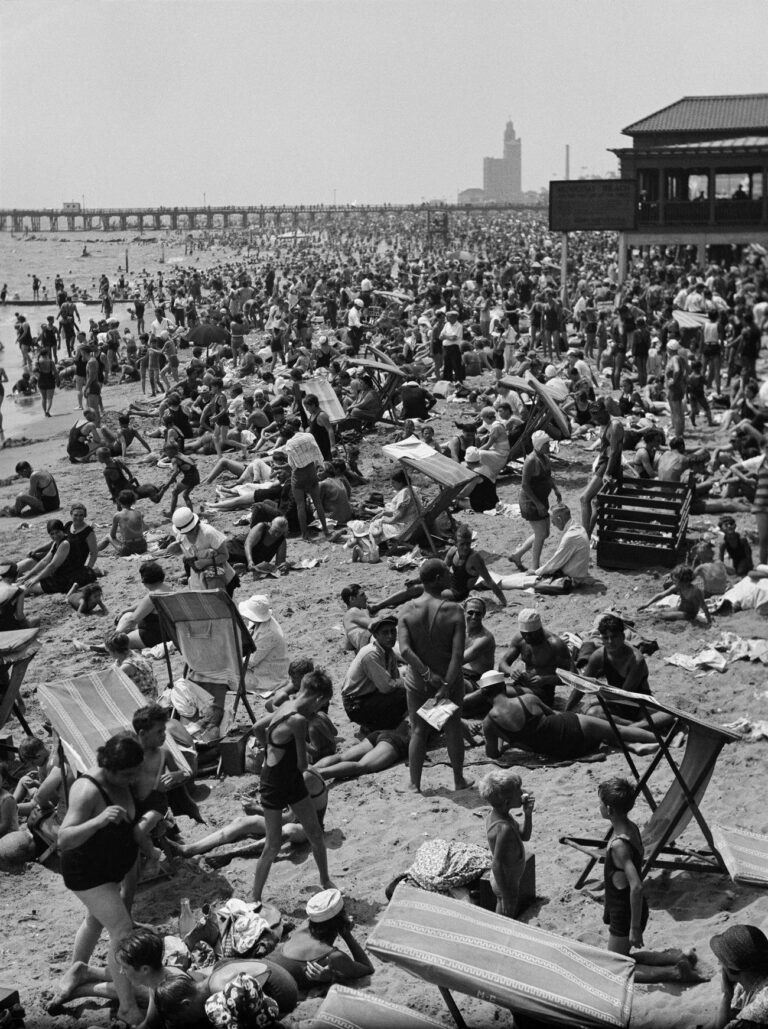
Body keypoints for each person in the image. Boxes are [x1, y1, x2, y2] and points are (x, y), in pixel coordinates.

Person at [57, 734, 148, 1027]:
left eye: (135, 772)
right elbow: (64, 839)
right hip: (86, 873)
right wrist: (99, 820)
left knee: (95, 920)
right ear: (109, 768)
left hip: (110, 870)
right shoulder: (86, 789)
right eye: (127, 775)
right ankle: (127, 1007)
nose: (133, 779)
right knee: (122, 931)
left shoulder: (126, 779)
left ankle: (77, 970)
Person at [598, 777, 702, 983]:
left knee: (614, 967)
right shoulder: (631, 828)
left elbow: (636, 886)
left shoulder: (619, 845)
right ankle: (679, 959)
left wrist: (634, 928)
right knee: (623, 957)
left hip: (626, 912)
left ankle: (676, 973)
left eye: (600, 803)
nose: (599, 806)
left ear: (609, 810)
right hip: (628, 908)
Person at [250, 669, 336, 903]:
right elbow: (301, 764)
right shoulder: (299, 720)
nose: (319, 711)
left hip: (282, 777)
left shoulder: (285, 705)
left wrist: (271, 751)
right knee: (273, 843)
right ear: (318, 699)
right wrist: (312, 755)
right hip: (277, 784)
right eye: (322, 705)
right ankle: (254, 897)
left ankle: (325, 881)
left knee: (315, 833)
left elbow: (258, 727)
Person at [398, 558, 471, 793]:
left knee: (418, 730)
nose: (451, 576)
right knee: (452, 728)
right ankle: (458, 780)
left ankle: (414, 783)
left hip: (418, 683)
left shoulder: (407, 610)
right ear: (438, 578)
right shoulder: (454, 610)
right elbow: (457, 655)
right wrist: (446, 685)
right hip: (449, 681)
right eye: (448, 573)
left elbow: (405, 650)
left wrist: (427, 674)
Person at [481, 680, 664, 762]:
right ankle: (663, 742)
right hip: (570, 727)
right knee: (615, 729)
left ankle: (634, 747)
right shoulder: (527, 699)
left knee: (600, 734)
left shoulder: (489, 723)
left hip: (563, 752)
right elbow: (554, 714)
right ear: (504, 686)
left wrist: (506, 742)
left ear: (484, 694)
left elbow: (492, 754)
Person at [268, 889, 374, 992]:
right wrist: (346, 934)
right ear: (341, 920)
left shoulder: (305, 925)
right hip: (271, 983)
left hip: (264, 964)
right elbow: (367, 968)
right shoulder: (334, 957)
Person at [478, 770, 534, 918]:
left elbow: (524, 835)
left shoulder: (500, 815)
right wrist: (506, 894)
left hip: (510, 877)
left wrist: (528, 814)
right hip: (505, 880)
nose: (523, 792)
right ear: (506, 802)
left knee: (505, 908)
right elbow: (497, 864)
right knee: (506, 911)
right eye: (518, 791)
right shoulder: (504, 828)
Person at [341, 614, 408, 730]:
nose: (390, 636)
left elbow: (395, 678)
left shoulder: (389, 652)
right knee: (406, 694)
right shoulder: (371, 654)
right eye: (385, 633)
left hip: (368, 695)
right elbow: (387, 687)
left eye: (393, 632)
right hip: (355, 703)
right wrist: (406, 683)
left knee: (405, 693)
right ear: (376, 636)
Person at [498, 609, 572, 707]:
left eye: (531, 634)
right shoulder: (520, 639)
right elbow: (502, 665)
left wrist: (545, 680)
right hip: (521, 685)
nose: (527, 637)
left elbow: (571, 678)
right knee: (491, 691)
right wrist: (511, 671)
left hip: (542, 693)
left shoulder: (555, 644)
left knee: (498, 693)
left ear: (539, 629)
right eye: (524, 633)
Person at [511, 431, 561, 570]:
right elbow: (525, 485)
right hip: (531, 502)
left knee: (545, 533)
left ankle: (517, 555)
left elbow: (548, 477)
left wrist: (555, 489)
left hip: (542, 500)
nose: (549, 446)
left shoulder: (545, 458)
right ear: (539, 445)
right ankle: (535, 567)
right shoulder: (531, 460)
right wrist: (538, 504)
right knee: (541, 534)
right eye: (546, 444)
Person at [275, 424, 329, 541]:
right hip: (311, 472)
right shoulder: (308, 436)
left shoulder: (289, 444)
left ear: (284, 436)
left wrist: (281, 467)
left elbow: (293, 464)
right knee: (318, 502)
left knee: (301, 506)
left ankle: (305, 534)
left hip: (299, 476)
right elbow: (316, 452)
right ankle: (325, 529)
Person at [579, 400, 625, 534]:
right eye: (595, 418)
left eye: (599, 417)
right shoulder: (604, 423)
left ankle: (584, 535)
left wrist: (607, 473)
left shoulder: (615, 425)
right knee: (596, 503)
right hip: (602, 463)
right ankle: (587, 535)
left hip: (607, 466)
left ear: (605, 411)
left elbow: (614, 452)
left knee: (584, 499)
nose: (597, 420)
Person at [709, 923, 768, 1027]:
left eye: (722, 960)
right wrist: (726, 996)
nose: (718, 963)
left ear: (734, 967)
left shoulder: (758, 1008)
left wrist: (725, 996)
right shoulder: (746, 986)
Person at [172, 507, 239, 596]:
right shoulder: (181, 537)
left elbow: (225, 555)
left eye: (191, 530)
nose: (189, 534)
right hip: (198, 581)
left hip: (220, 577)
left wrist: (206, 562)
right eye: (186, 532)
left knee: (221, 601)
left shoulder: (209, 533)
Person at [19, 519, 96, 595]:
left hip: (68, 579)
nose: (55, 536)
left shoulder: (65, 543)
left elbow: (52, 566)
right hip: (60, 575)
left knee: (26, 588)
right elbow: (45, 561)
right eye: (52, 534)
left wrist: (36, 579)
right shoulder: (57, 542)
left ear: (63, 531)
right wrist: (28, 576)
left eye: (57, 532)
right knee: (26, 582)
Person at [115, 561, 174, 651]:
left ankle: (106, 644)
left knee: (119, 643)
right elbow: (143, 604)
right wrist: (126, 610)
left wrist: (115, 635)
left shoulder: (153, 596)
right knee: (126, 615)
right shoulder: (165, 589)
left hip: (153, 636)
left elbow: (133, 620)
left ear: (144, 579)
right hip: (167, 632)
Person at [238, 594, 289, 693]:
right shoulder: (261, 624)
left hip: (267, 677)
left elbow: (250, 662)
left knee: (227, 678)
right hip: (261, 667)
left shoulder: (269, 633)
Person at [534, 503, 591, 585]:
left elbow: (555, 563)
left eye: (553, 520)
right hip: (577, 574)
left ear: (559, 519)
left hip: (569, 580)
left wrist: (536, 572)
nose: (553, 524)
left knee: (530, 582)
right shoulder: (578, 527)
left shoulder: (570, 536)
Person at [640, 564, 712, 625]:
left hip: (689, 614)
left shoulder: (695, 591)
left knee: (661, 615)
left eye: (675, 581)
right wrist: (647, 604)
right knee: (658, 611)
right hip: (679, 608)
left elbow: (704, 606)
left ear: (684, 581)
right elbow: (661, 595)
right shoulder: (678, 587)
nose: (673, 582)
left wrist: (709, 621)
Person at [105, 631, 158, 697]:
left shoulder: (127, 666)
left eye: (109, 651)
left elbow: (110, 681)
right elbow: (113, 667)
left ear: (114, 652)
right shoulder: (130, 654)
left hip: (145, 698)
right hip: (149, 693)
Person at [103, 490, 148, 555]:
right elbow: (145, 528)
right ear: (133, 501)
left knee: (108, 536)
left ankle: (93, 550)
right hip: (143, 547)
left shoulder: (117, 515)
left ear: (119, 501)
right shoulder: (139, 513)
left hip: (128, 549)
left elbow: (112, 535)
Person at [341, 583, 373, 652]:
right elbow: (374, 626)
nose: (366, 597)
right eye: (362, 595)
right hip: (370, 641)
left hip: (364, 648)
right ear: (352, 599)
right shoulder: (354, 611)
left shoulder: (346, 618)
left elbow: (348, 646)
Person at [753, 435, 768, 566]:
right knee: (763, 539)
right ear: (762, 448)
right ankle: (763, 565)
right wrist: (746, 479)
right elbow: (736, 467)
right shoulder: (759, 461)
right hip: (761, 506)